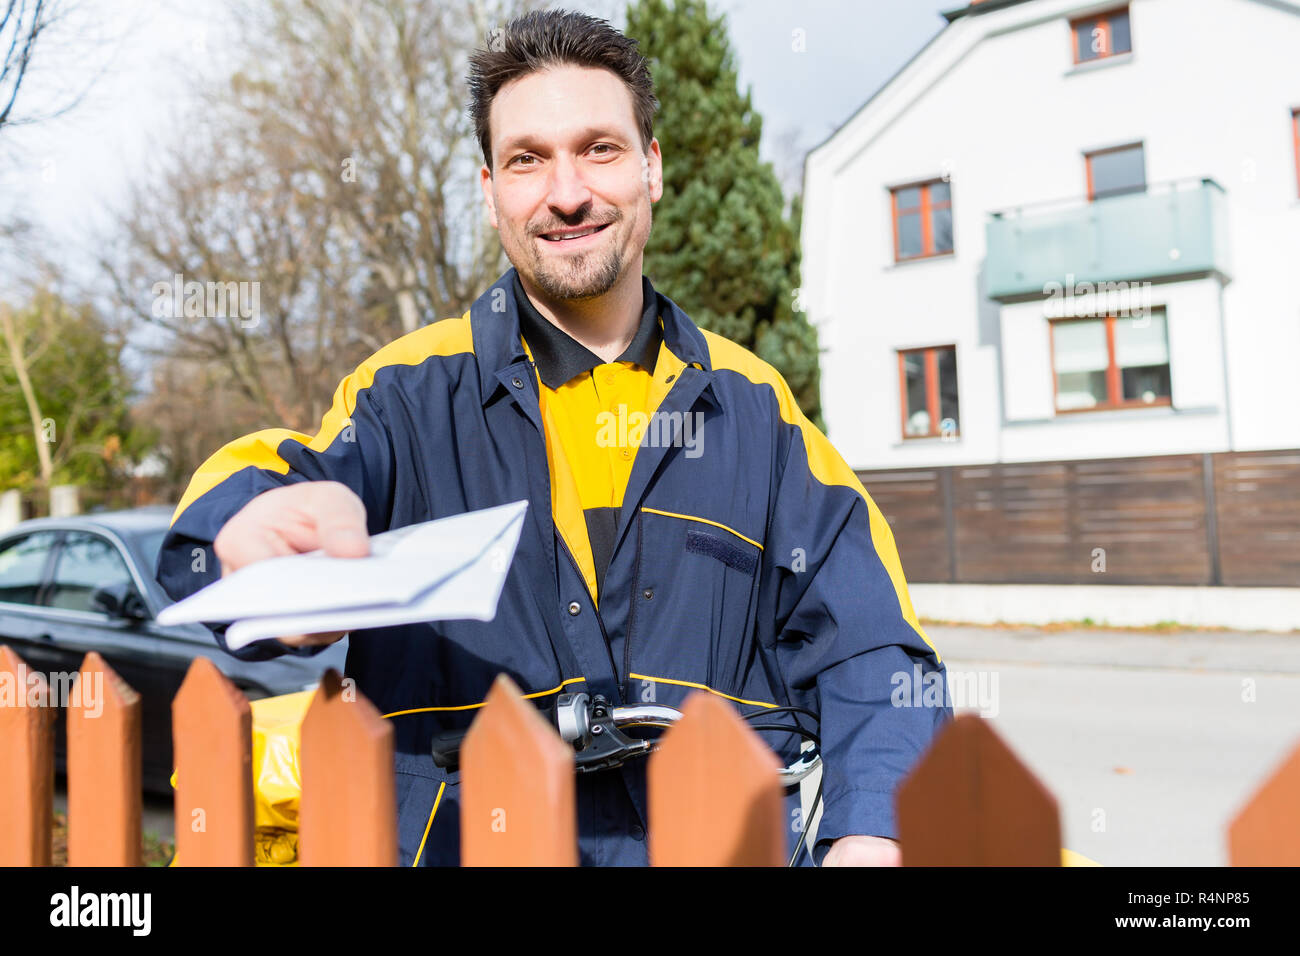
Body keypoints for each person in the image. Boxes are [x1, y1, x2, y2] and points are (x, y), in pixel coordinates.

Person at [154, 8, 951, 867]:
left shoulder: (757, 407)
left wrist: (872, 830)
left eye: (599, 148)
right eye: (528, 159)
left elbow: (876, 645)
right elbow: (271, 482)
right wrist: (241, 529)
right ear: (490, 189)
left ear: (652, 166)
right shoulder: (406, 393)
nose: (566, 192)